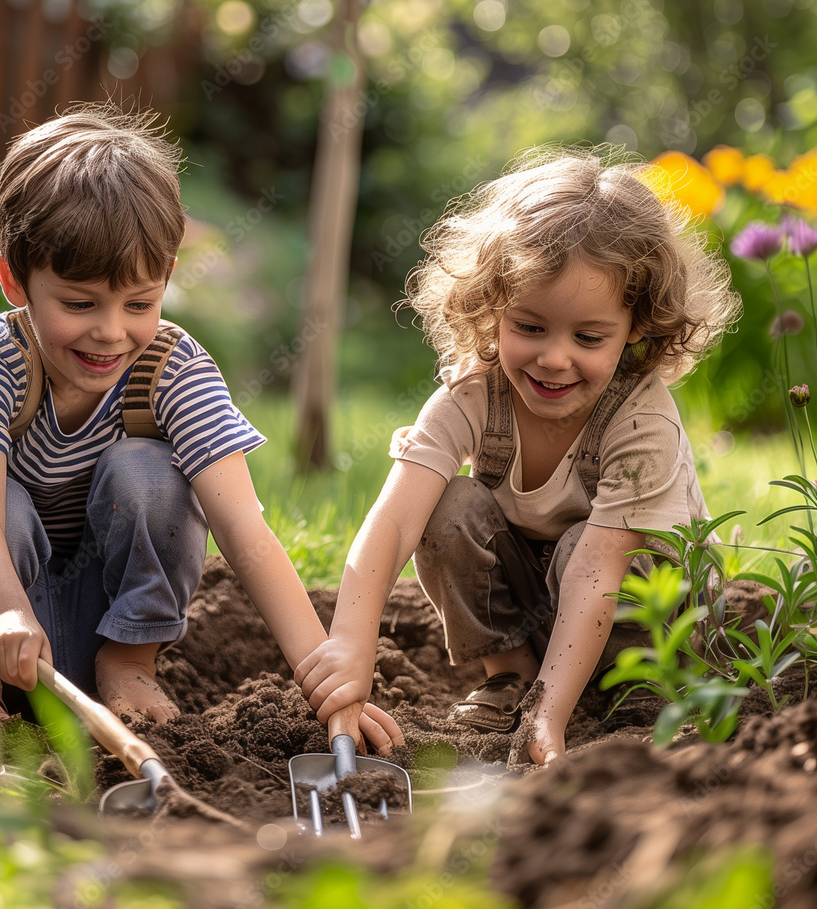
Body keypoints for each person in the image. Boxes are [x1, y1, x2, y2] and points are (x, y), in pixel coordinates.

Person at [0, 102, 401, 754]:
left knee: (149, 472)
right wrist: (4, 612)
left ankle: (129, 664)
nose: (111, 331)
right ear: (13, 280)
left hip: (99, 615)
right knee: (8, 506)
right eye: (79, 303)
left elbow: (243, 530)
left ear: (168, 276)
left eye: (138, 303)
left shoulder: (174, 369)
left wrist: (327, 681)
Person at [294, 146, 740, 766]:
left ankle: (631, 694)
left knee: (597, 549)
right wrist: (349, 647)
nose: (554, 359)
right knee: (447, 507)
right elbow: (395, 520)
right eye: (530, 327)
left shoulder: (641, 416)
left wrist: (550, 715)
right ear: (492, 305)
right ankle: (508, 675)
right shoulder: (474, 396)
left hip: (647, 621)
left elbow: (597, 567)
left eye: (588, 337)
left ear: (636, 325)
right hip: (544, 605)